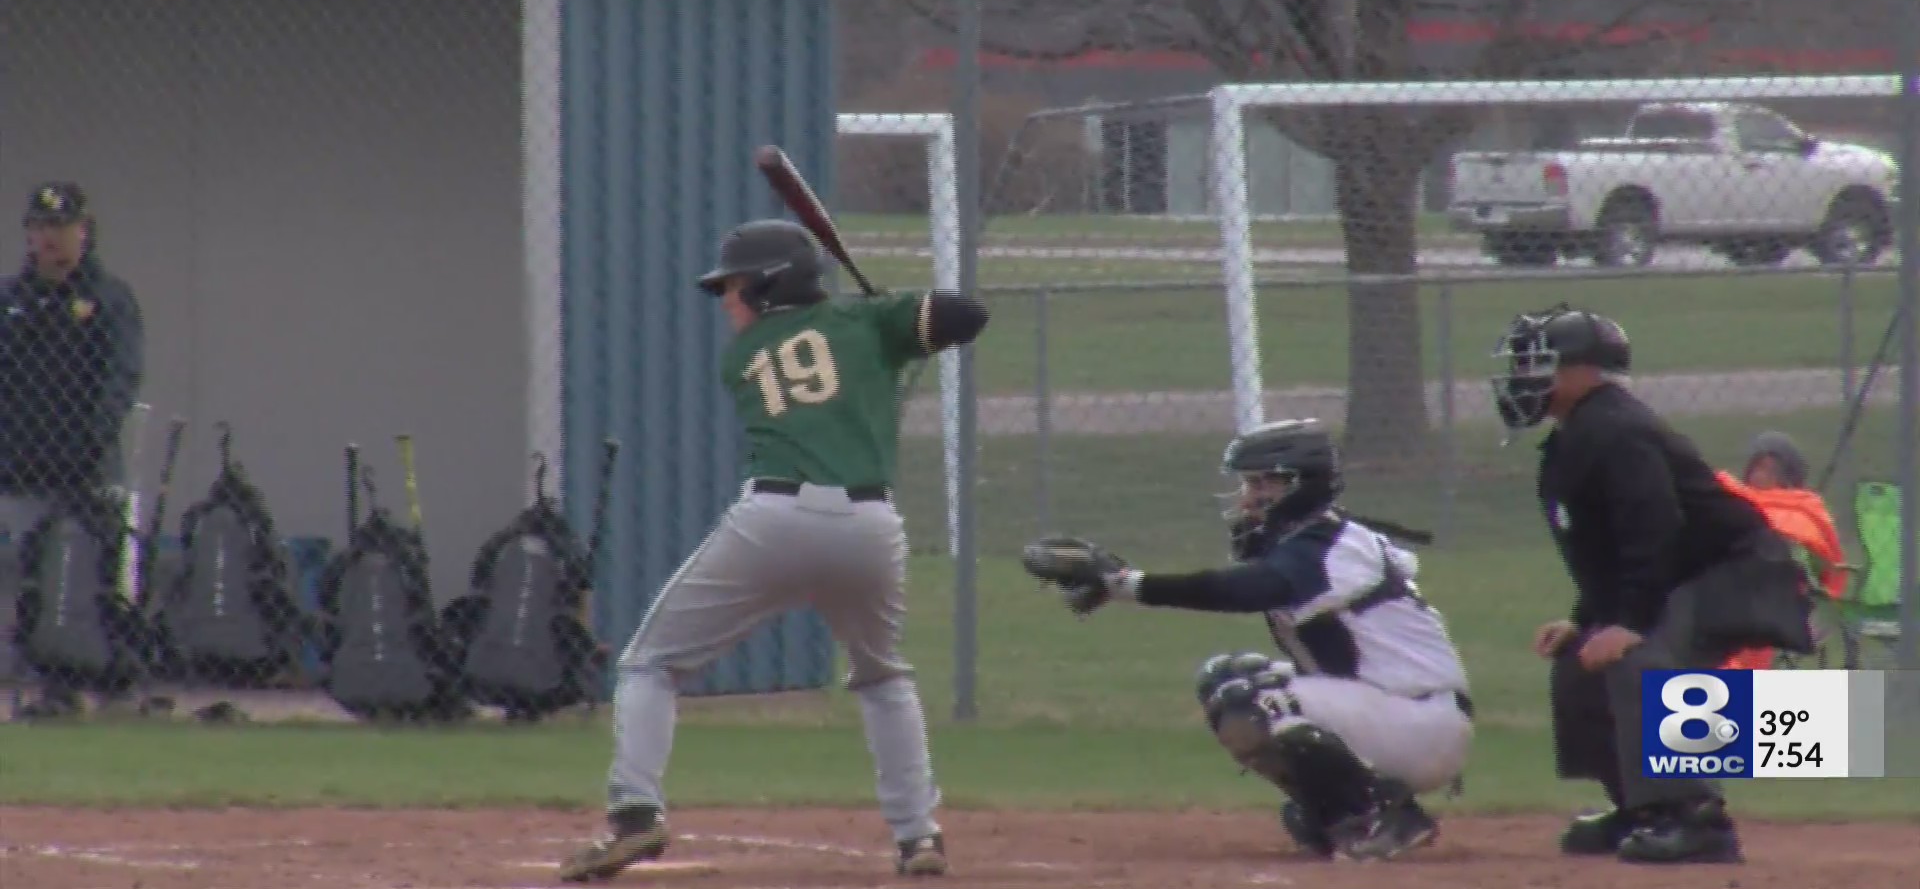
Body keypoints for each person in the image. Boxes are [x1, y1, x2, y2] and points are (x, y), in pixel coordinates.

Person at [558, 219, 989, 882]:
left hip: (775, 519)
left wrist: (881, 321)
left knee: (649, 663)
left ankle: (635, 815)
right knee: (882, 677)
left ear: (768, 288)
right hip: (871, 528)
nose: (728, 303)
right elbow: (969, 316)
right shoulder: (868, 323)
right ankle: (917, 837)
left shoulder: (745, 357)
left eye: (734, 288)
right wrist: (901, 314)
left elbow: (827, 347)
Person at [1023, 419, 1474, 863]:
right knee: (1228, 680)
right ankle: (1345, 809)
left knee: (1252, 699)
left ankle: (1374, 816)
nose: (1249, 498)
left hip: (1420, 721)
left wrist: (1129, 585)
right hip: (1403, 716)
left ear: (1303, 486)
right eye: (1250, 483)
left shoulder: (1329, 545)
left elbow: (1243, 590)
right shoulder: (1317, 539)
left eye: (1265, 484)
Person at [1493, 304, 1811, 865]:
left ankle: (1697, 818)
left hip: (1743, 571)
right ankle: (1641, 807)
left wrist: (1630, 622)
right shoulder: (1576, 437)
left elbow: (1654, 529)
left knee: (1644, 658)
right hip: (1688, 574)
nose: (1524, 378)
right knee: (1581, 657)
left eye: (1538, 364)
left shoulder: (1617, 429)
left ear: (1584, 371)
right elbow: (1605, 555)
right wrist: (1589, 616)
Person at [1, 181, 145, 532]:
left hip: (88, 473)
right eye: (40, 226)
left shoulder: (109, 298)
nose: (50, 236)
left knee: (91, 572)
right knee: (28, 568)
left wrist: (88, 441)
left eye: (61, 225)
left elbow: (121, 375)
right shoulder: (11, 300)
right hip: (22, 470)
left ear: (83, 230)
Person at [1716, 432, 1847, 671]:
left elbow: (1816, 557)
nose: (1761, 475)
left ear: (1789, 475)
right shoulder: (1735, 497)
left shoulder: (1802, 507)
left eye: (1771, 469)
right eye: (1757, 467)